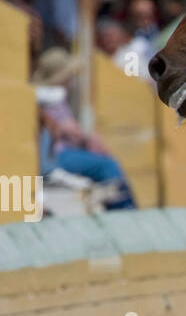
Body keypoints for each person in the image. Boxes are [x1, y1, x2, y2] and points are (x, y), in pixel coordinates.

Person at [32, 48, 137, 209]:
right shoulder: (52, 97)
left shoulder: (47, 96)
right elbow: (71, 130)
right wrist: (91, 140)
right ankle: (125, 210)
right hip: (58, 155)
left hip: (60, 153)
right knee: (107, 165)